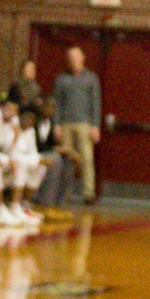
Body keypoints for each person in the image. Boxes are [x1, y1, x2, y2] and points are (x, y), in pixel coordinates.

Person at [52, 45, 100, 202]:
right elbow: (57, 103)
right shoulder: (61, 79)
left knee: (86, 159)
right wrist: (56, 124)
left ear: (82, 58)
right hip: (65, 123)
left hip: (84, 124)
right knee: (67, 161)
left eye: (75, 57)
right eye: (70, 58)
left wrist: (95, 126)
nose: (73, 61)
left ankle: (88, 194)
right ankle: (66, 193)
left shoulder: (91, 78)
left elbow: (96, 103)